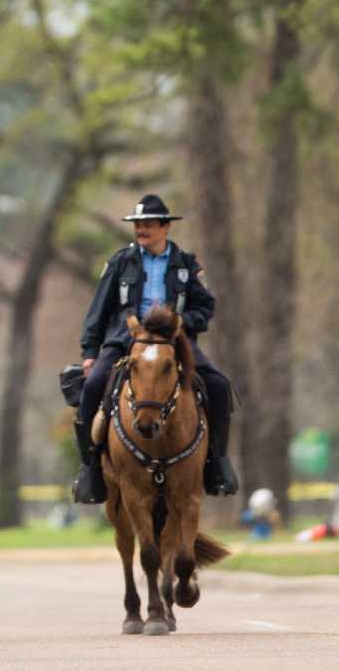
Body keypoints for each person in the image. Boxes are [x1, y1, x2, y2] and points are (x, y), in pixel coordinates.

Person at [72, 190, 238, 503]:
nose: (141, 229)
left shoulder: (187, 265)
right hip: (125, 338)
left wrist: (182, 321)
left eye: (148, 223)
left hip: (175, 340)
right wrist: (90, 353)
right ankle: (90, 469)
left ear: (166, 227)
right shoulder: (120, 263)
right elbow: (99, 310)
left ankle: (218, 462)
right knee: (93, 386)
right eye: (137, 224)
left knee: (217, 385)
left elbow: (206, 307)